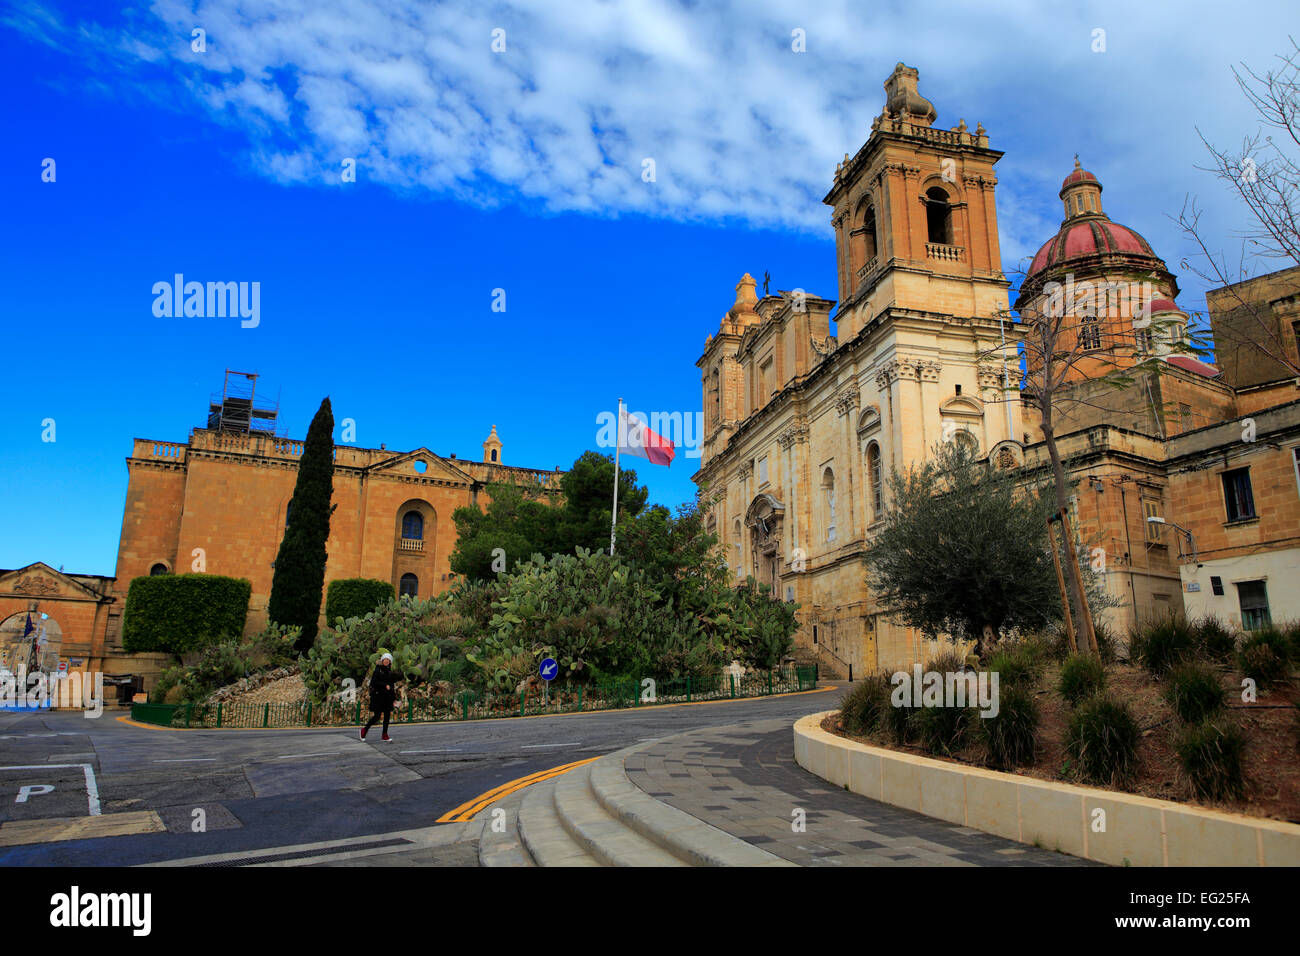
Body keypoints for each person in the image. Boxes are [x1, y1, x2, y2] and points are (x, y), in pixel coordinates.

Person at [360, 652, 398, 742]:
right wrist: (384, 685)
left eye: (388, 660)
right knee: (377, 716)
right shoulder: (377, 670)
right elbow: (373, 683)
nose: (386, 661)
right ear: (382, 660)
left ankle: (384, 735)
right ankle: (364, 730)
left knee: (387, 716)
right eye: (385, 659)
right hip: (378, 696)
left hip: (387, 697)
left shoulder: (389, 671)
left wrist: (394, 698)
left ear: (390, 662)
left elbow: (391, 685)